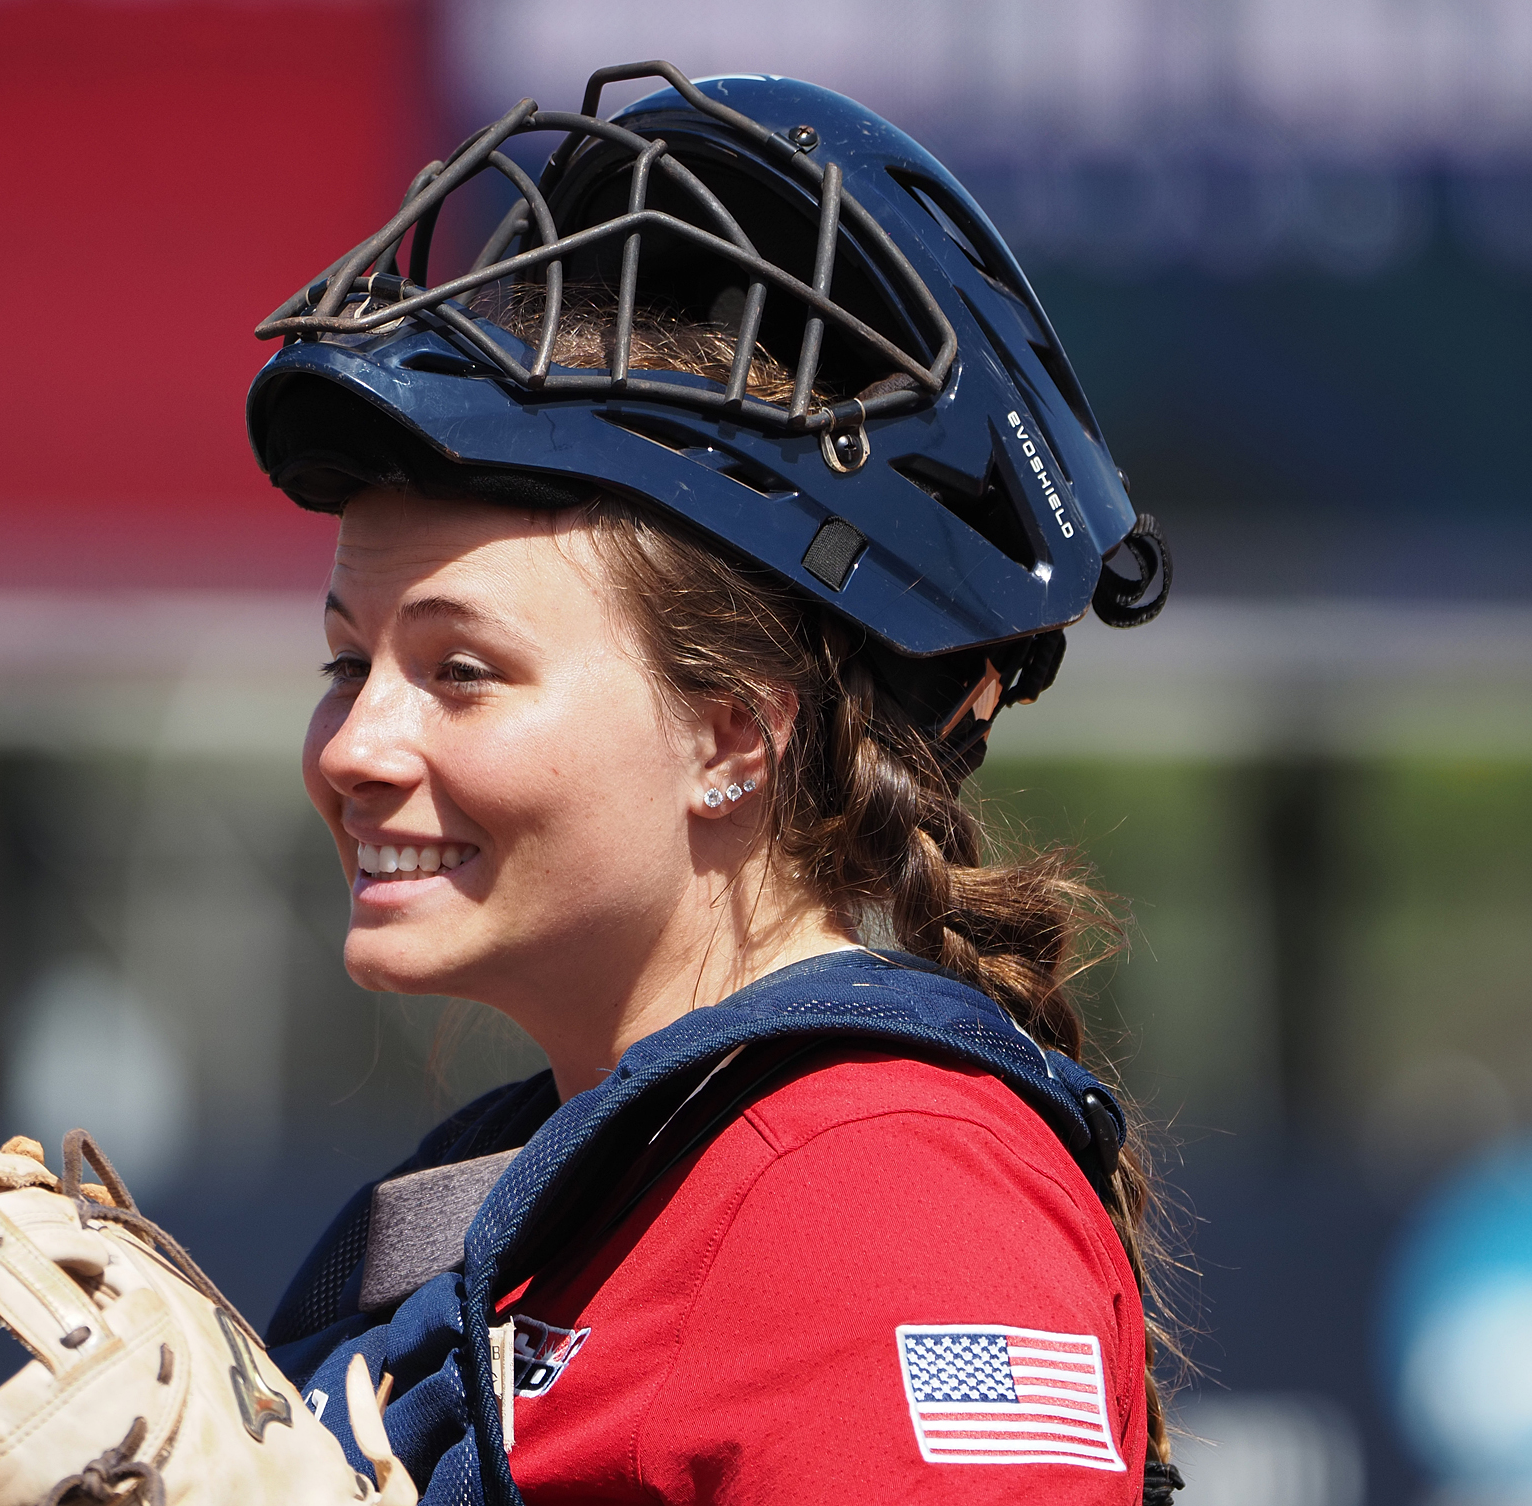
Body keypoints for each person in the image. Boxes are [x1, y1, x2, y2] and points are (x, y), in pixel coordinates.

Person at [243, 63, 1176, 1506]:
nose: (357, 745)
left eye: (462, 671)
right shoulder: (604, 1174)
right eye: (345, 664)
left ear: (735, 733)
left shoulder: (877, 1188)